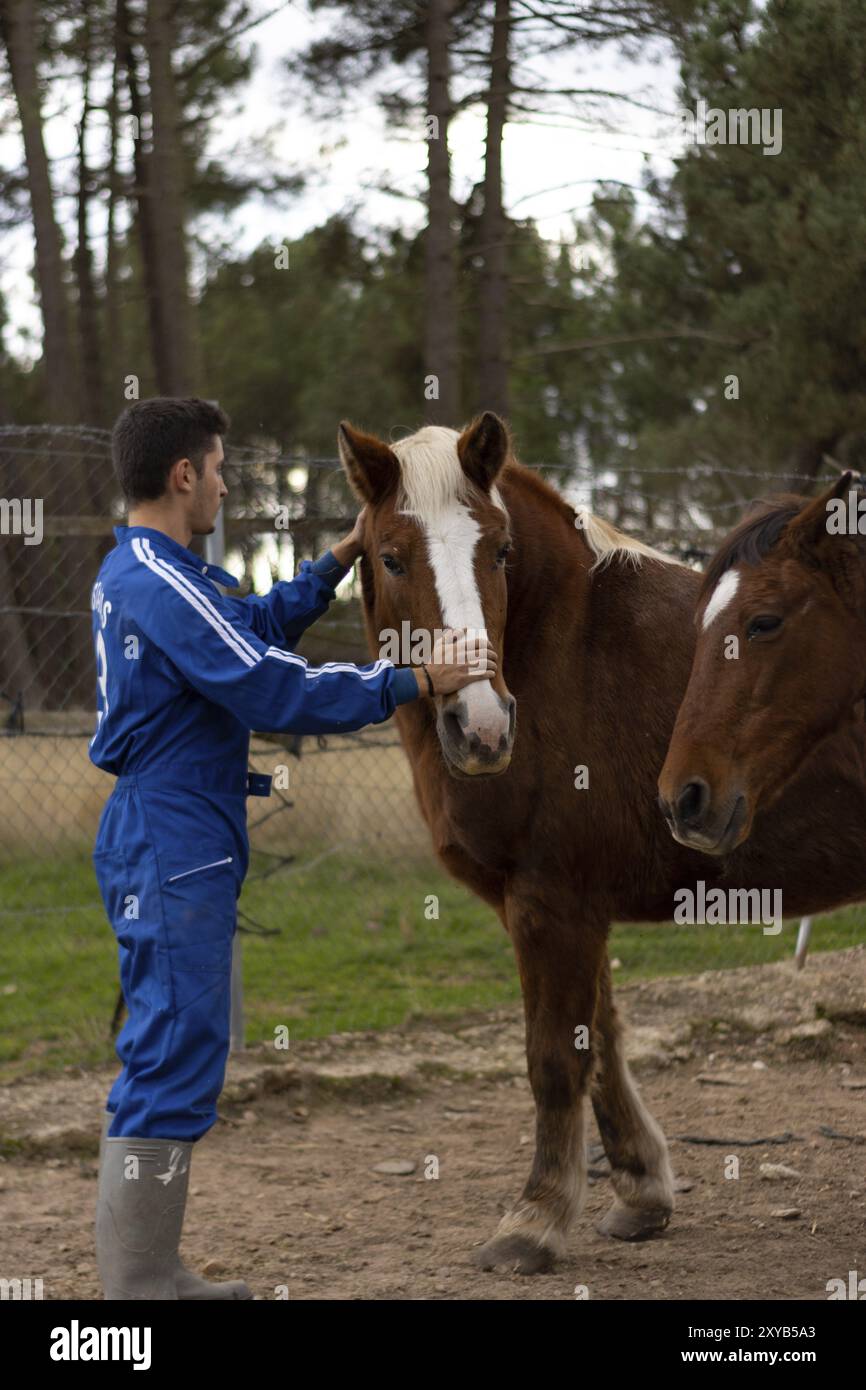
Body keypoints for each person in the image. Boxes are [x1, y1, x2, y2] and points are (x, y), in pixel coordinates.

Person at [89, 397, 496, 1300]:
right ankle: (142, 1283)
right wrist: (415, 678)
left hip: (175, 829)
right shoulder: (162, 584)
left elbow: (248, 633)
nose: (228, 485)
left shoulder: (148, 571)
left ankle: (145, 1272)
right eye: (221, 468)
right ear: (183, 475)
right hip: (172, 834)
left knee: (180, 1037)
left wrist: (340, 562)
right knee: (175, 1044)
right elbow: (272, 690)